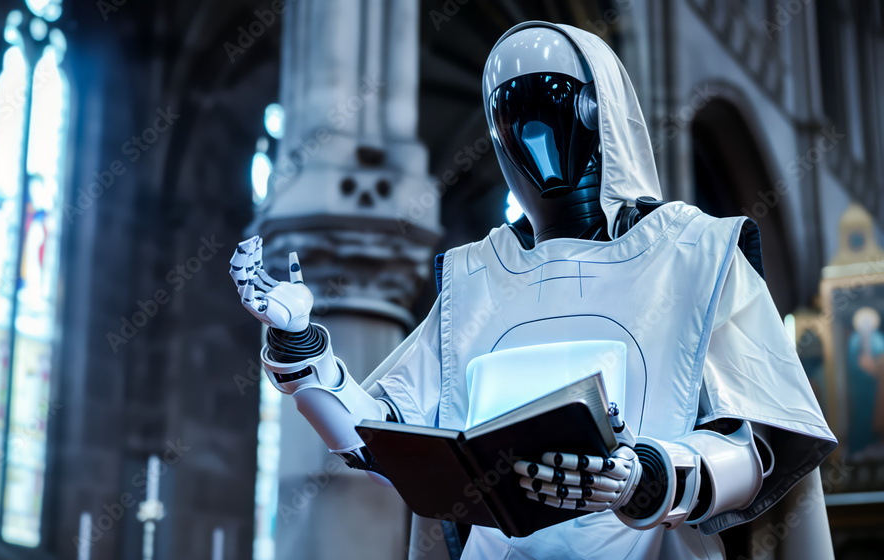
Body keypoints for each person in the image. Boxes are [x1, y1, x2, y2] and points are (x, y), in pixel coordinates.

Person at [230, 21, 836, 560]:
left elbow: (760, 443)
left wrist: (647, 476)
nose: (531, 134)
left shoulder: (695, 254)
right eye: (509, 116)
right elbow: (378, 441)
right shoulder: (477, 277)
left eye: (551, 108)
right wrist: (300, 345)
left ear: (601, 116)